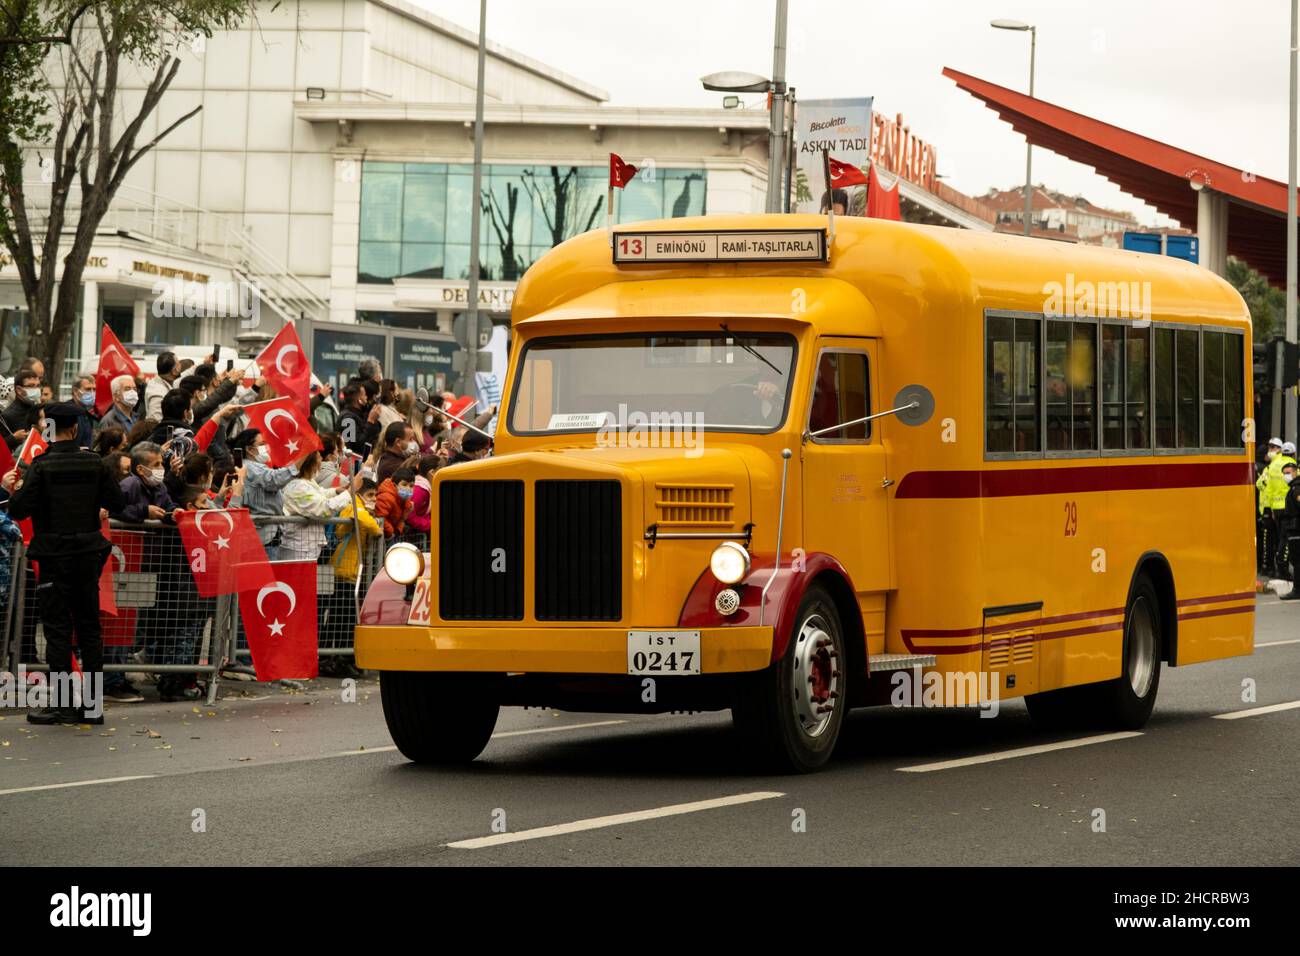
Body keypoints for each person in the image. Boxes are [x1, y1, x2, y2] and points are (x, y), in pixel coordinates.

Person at [3, 403, 125, 724]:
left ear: (50, 429)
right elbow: (118, 502)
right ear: (74, 428)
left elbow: (18, 510)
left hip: (54, 556)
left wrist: (10, 489)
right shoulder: (95, 463)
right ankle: (93, 705)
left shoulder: (41, 467)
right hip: (87, 555)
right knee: (89, 628)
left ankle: (61, 704)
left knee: (58, 630)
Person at [324, 478, 381, 677]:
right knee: (343, 619)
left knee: (342, 618)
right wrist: (377, 528)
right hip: (344, 571)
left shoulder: (360, 507)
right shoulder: (353, 507)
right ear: (359, 494)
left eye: (375, 495)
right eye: (370, 495)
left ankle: (337, 658)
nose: (373, 499)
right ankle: (336, 659)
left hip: (350, 571)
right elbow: (363, 519)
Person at [230, 428, 297, 559]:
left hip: (269, 534)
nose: (265, 448)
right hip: (262, 536)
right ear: (249, 449)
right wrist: (298, 465)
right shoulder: (249, 467)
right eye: (261, 444)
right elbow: (273, 479)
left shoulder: (256, 466)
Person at [280, 450, 356, 562]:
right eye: (319, 458)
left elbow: (319, 493)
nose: (322, 461)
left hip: (306, 545)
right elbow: (324, 508)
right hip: (300, 547)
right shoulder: (298, 487)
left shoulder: (305, 481)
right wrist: (348, 493)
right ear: (310, 463)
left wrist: (336, 491)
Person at [2, 368, 43, 451]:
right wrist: (13, 439)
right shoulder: (7, 416)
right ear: (19, 390)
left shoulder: (42, 411)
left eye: (38, 385)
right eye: (31, 386)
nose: (36, 390)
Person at [338, 381, 381, 459]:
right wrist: (370, 422)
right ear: (358, 399)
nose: (366, 397)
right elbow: (355, 447)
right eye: (364, 395)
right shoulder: (348, 419)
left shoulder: (361, 413)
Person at [374, 467, 414, 537]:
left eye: (411, 486)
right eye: (404, 484)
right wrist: (391, 532)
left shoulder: (406, 500)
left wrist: (398, 530)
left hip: (391, 534)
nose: (408, 488)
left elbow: (402, 519)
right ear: (395, 485)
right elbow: (381, 517)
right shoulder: (386, 497)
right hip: (383, 536)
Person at [1281, 459, 1300, 599]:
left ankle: (1297, 590)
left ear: (1295, 472)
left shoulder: (1296, 487)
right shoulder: (1294, 486)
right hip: (1294, 527)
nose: (1285, 475)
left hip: (1296, 529)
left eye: (1288, 473)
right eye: (1284, 473)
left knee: (1297, 561)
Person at [375, 420, 417, 485]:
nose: (414, 443)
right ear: (398, 442)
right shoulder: (390, 466)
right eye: (410, 439)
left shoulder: (396, 458)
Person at [145, 351, 179, 420]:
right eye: (178, 364)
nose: (181, 365)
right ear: (174, 371)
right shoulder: (158, 393)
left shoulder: (169, 382)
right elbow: (155, 421)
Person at [70, 375, 97, 447]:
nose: (92, 393)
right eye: (88, 389)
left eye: (94, 389)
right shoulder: (68, 412)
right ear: (75, 391)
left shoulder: (88, 413)